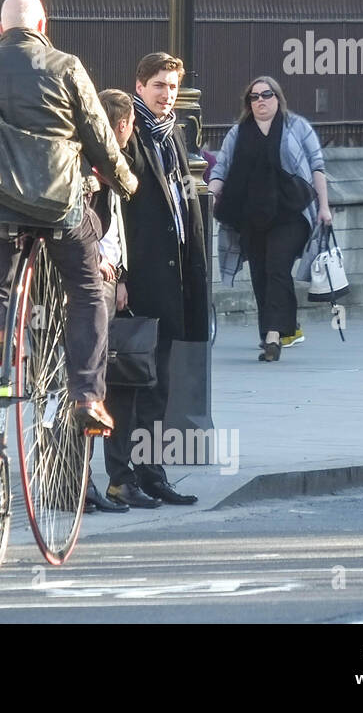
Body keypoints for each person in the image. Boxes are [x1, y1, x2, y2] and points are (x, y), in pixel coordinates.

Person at [0, 0, 136, 434]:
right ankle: (88, 395)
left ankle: (6, 331)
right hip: (60, 207)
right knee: (86, 290)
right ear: (43, 28)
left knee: (3, 239)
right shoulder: (66, 67)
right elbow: (100, 138)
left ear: (0, 29)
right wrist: (126, 182)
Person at [111, 51, 207, 506]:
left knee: (160, 385)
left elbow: (183, 202)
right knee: (130, 382)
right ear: (140, 84)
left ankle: (154, 472)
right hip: (140, 276)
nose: (167, 95)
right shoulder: (129, 131)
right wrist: (121, 274)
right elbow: (113, 210)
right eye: (159, 86)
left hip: (174, 276)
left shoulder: (175, 135)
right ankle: (122, 474)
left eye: (172, 87)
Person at [210, 76, 331, 361]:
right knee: (261, 274)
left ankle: (274, 336)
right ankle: (279, 329)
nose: (260, 101)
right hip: (252, 216)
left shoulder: (296, 126)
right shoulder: (238, 133)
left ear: (278, 98)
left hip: (290, 213)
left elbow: (317, 167)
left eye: (266, 95)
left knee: (277, 266)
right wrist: (211, 194)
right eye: (254, 97)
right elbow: (220, 169)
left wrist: (324, 207)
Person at [87, 89, 145, 513]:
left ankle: (117, 479)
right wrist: (96, 262)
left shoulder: (105, 165)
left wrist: (120, 273)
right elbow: (79, 224)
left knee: (111, 384)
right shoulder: (95, 167)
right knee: (89, 384)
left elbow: (114, 228)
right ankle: (81, 481)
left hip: (111, 281)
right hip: (91, 285)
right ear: (122, 125)